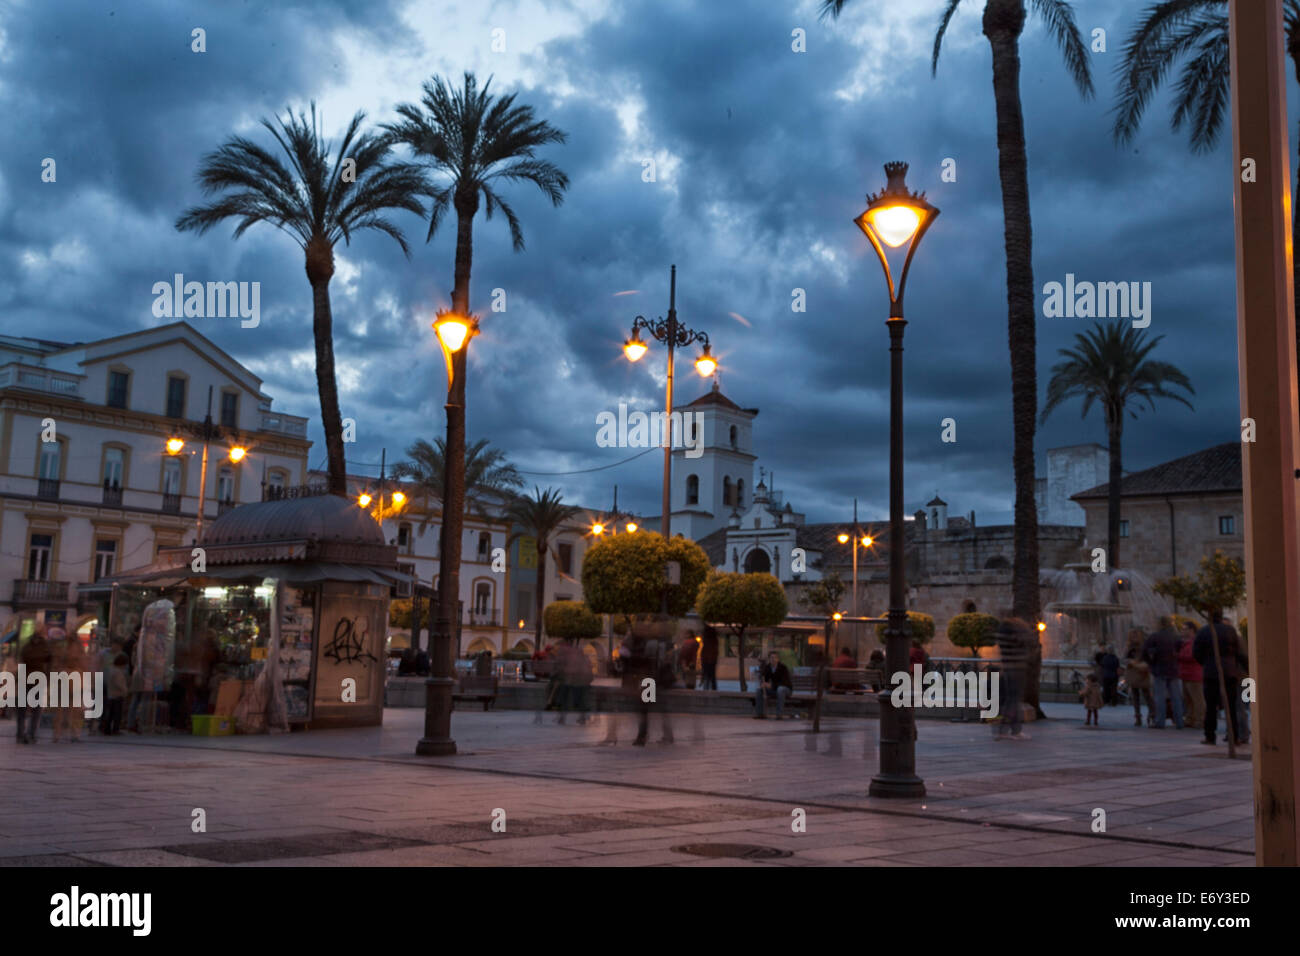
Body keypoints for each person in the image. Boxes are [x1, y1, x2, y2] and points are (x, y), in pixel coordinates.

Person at [1194, 611, 1246, 747]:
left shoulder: (1204, 631)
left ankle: (1210, 736)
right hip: (1229, 671)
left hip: (1211, 672)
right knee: (1231, 706)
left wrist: (1206, 663)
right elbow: (1239, 652)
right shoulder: (1230, 631)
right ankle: (1234, 736)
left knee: (1211, 706)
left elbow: (1196, 653)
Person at [1142, 616, 1184, 729]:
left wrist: (1151, 663)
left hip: (1159, 669)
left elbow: (1144, 652)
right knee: (1176, 697)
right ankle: (1179, 722)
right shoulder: (1176, 637)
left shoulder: (1155, 637)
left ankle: (1160, 721)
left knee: (1160, 697)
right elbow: (1181, 650)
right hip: (1173, 669)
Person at [994, 618, 1030, 740]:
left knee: (1013, 701)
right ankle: (1006, 730)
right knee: (1012, 701)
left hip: (1011, 668)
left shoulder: (1004, 636)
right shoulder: (1011, 637)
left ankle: (1013, 730)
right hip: (1014, 669)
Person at [17, 628, 52, 744]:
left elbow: (49, 663)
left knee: (34, 710)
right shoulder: (42, 648)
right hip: (28, 679)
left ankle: (29, 734)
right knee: (24, 709)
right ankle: (23, 734)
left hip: (37, 680)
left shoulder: (41, 648)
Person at [53, 637, 90, 742]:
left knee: (65, 710)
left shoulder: (63, 652)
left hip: (70, 681)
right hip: (74, 682)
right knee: (73, 711)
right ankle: (72, 733)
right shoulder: (78, 653)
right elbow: (85, 666)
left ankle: (59, 734)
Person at [1123, 630, 1153, 727]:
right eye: (1132, 635)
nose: (1134, 637)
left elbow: (1148, 658)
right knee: (1135, 696)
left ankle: (1152, 714)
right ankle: (1138, 717)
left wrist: (1136, 662)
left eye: (1135, 635)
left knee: (1147, 694)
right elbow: (1124, 658)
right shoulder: (1128, 647)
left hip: (1142, 671)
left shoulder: (1144, 646)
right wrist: (1129, 661)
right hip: (1133, 673)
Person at [1178, 621, 1204, 729]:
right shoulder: (1185, 643)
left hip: (1194, 674)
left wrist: (1178, 656)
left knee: (1197, 699)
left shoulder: (1194, 642)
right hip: (1186, 674)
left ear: (1191, 630)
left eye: (1184, 629)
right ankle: (1190, 718)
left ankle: (1200, 719)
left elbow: (1192, 656)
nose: (1182, 631)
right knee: (1188, 699)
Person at [754, 650, 792, 719]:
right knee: (759, 690)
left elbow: (784, 682)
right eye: (771, 658)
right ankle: (759, 714)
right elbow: (764, 678)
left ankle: (779, 715)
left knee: (780, 689)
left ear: (778, 659)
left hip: (786, 690)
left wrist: (771, 685)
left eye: (775, 658)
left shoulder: (783, 668)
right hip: (774, 690)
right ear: (769, 659)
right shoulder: (767, 667)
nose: (773, 659)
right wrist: (763, 684)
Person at [103, 653, 129, 735]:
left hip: (111, 695)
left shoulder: (111, 670)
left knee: (110, 714)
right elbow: (119, 683)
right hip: (117, 695)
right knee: (117, 714)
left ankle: (107, 729)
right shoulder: (118, 672)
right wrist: (125, 690)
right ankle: (115, 729)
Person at [698, 625, 719, 691]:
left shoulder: (708, 641)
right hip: (711, 660)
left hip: (707, 660)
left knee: (708, 675)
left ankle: (708, 687)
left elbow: (706, 652)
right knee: (711, 676)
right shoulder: (714, 641)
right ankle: (712, 688)